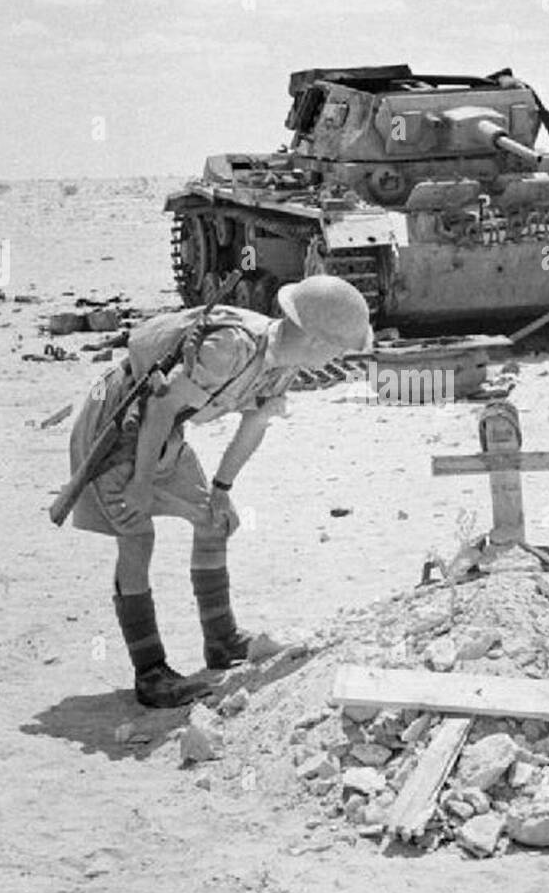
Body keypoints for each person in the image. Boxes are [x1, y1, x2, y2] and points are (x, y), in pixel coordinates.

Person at [67, 274, 373, 707]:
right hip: (118, 424)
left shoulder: (283, 366)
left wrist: (222, 489)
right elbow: (159, 406)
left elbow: (254, 426)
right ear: (314, 341)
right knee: (137, 537)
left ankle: (222, 640)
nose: (337, 358)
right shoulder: (231, 347)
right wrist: (138, 485)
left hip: (163, 432)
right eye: (338, 348)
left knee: (215, 520)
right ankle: (151, 673)